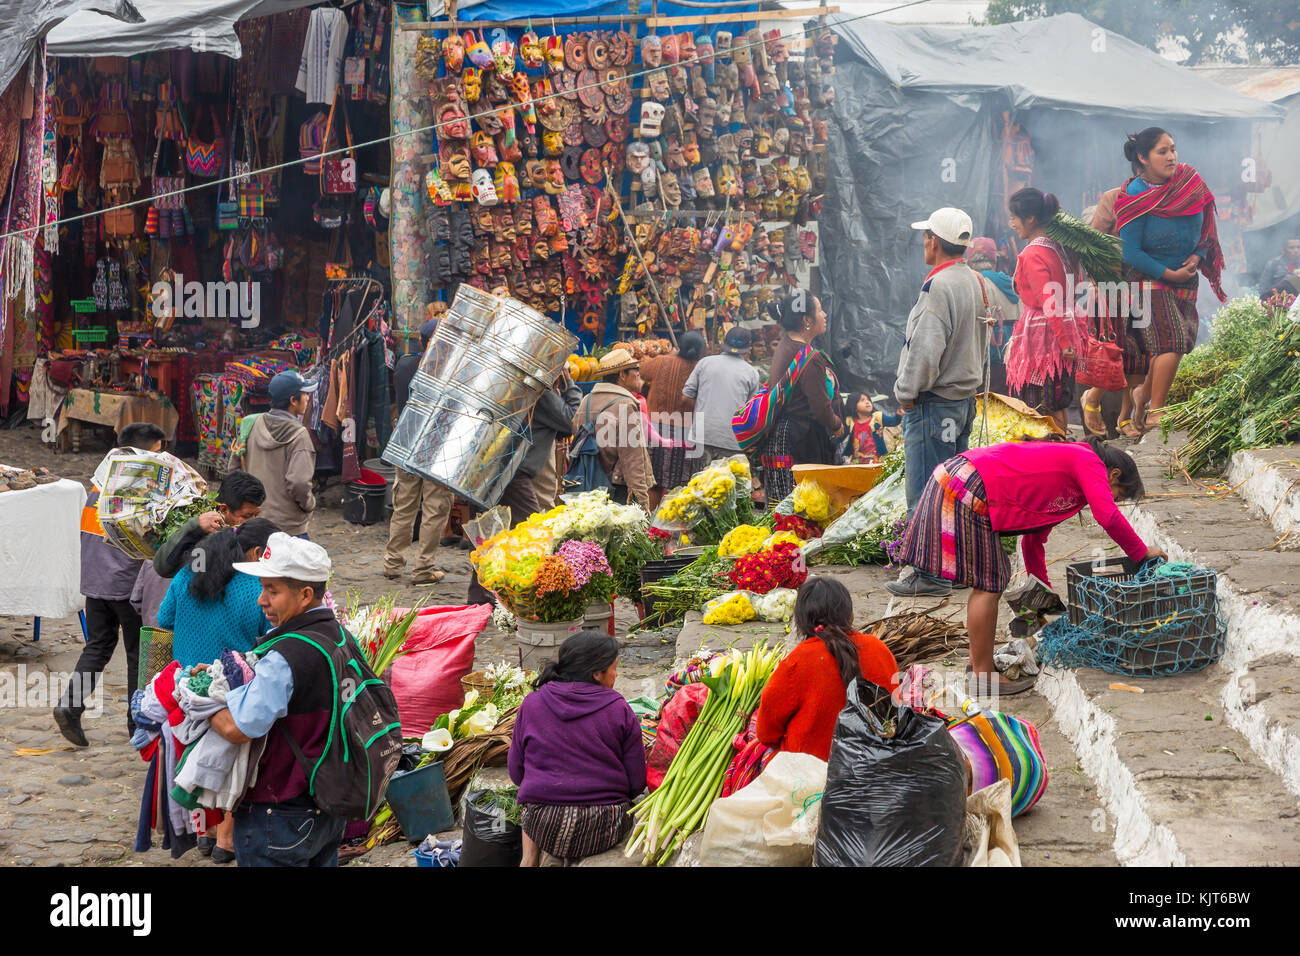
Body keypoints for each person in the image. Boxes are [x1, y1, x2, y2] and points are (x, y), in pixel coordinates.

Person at [893, 437, 1163, 696]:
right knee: (990, 583)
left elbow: (1032, 544)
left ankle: (978, 666)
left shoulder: (1068, 480)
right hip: (968, 484)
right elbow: (1108, 516)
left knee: (991, 579)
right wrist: (1140, 553)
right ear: (1114, 475)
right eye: (1115, 494)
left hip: (959, 478)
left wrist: (1043, 609)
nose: (1108, 497)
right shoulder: (1088, 460)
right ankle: (983, 676)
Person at [202, 533, 349, 867]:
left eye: (272, 590)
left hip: (279, 815)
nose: (261, 600)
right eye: (262, 588)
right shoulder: (339, 636)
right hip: (326, 807)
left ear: (306, 594)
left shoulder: (286, 655)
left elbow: (240, 728)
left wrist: (198, 702)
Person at [156, 517, 277, 863]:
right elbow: (265, 637)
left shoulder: (186, 575)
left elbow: (164, 620)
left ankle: (205, 833)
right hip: (229, 688)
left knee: (197, 757)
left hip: (185, 689)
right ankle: (226, 836)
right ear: (252, 553)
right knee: (234, 758)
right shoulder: (257, 587)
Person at [890, 207, 989, 597]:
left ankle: (929, 574)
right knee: (955, 492)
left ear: (933, 241)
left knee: (927, 489)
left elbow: (926, 350)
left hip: (935, 404)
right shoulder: (974, 280)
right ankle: (955, 568)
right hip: (962, 402)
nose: (923, 242)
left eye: (925, 236)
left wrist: (906, 393)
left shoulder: (939, 287)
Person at [54, 422, 165, 748]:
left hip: (95, 581)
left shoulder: (100, 483)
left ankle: (70, 706)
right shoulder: (139, 487)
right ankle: (137, 727)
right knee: (137, 655)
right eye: (159, 451)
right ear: (144, 453)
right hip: (126, 585)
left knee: (98, 646)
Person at [1116, 127, 1227, 431]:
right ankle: (1156, 411)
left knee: (1179, 343)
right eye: (1162, 152)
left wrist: (1198, 257)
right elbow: (1131, 252)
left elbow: (1206, 231)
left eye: (1173, 149)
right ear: (1143, 157)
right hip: (1148, 278)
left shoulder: (1190, 181)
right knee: (1173, 340)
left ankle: (1142, 393)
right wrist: (1169, 272)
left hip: (1186, 278)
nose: (1172, 157)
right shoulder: (1132, 197)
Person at [508, 631, 646, 866]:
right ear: (596, 674)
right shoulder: (619, 708)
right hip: (603, 827)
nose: (617, 674)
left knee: (532, 799)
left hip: (543, 827)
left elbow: (516, 774)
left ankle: (530, 859)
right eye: (614, 667)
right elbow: (636, 783)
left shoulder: (532, 703)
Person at [755, 577, 901, 761]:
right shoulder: (878, 648)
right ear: (850, 616)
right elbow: (896, 706)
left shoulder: (797, 661)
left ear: (800, 622)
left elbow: (766, 734)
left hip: (812, 773)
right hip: (877, 762)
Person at [1005, 187, 1086, 433]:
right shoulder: (1062, 249)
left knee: (1041, 406)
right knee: (1056, 400)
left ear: (1030, 219)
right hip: (1065, 331)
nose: (1012, 224)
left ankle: (1052, 456)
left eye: (1015, 218)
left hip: (1045, 341)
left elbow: (1048, 301)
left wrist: (1063, 342)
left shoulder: (1032, 254)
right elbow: (1076, 289)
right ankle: (1061, 450)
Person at [384, 319, 455, 584]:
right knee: (435, 506)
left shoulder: (404, 365)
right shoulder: (447, 369)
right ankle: (423, 568)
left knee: (404, 505)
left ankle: (393, 563)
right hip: (435, 444)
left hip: (405, 439)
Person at [762, 290, 843, 504]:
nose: (824, 315)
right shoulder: (809, 357)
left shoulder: (786, 345)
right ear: (807, 320)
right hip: (802, 441)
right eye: (819, 310)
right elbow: (819, 407)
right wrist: (836, 424)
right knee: (804, 509)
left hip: (783, 436)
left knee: (785, 509)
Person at [1083, 188, 1149, 439]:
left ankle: (1125, 417)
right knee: (1114, 350)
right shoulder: (1112, 198)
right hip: (1112, 286)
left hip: (1143, 287)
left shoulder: (1158, 200)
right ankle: (1092, 397)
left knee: (1139, 357)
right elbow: (1093, 246)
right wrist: (1097, 281)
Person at [572, 348, 653, 511]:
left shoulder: (586, 401)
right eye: (635, 370)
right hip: (615, 489)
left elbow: (575, 434)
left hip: (588, 483)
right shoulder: (625, 405)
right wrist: (643, 506)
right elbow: (633, 460)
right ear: (622, 375)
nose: (638, 374)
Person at [245, 370, 319, 539]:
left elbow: (234, 468)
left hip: (257, 521)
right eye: (304, 394)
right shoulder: (299, 435)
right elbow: (299, 482)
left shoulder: (253, 424)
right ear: (293, 400)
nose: (308, 398)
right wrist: (309, 504)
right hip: (289, 527)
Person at [153, 470, 266, 578]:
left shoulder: (255, 535)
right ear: (223, 510)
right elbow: (162, 568)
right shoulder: (203, 539)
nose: (253, 521)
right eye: (246, 516)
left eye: (256, 515)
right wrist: (194, 527)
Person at [682, 325, 762, 468]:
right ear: (748, 349)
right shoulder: (751, 373)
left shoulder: (705, 363)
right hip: (731, 441)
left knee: (698, 486)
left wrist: (704, 409)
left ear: (724, 343)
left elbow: (686, 398)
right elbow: (750, 413)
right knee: (724, 486)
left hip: (701, 436)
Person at [641, 331, 706, 492]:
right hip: (686, 433)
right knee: (682, 486)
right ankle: (673, 517)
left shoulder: (661, 361)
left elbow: (641, 371)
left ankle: (651, 517)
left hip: (656, 429)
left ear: (679, 346)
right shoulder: (700, 369)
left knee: (654, 483)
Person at [966, 238, 1019, 395]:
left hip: (984, 367)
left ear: (969, 262)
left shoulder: (972, 285)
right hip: (1013, 365)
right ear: (995, 260)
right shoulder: (1014, 285)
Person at [530, 370, 582, 511]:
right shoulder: (541, 391)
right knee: (542, 510)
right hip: (535, 468)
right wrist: (570, 383)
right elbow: (573, 419)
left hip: (535, 467)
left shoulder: (543, 390)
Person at [842, 392, 901, 465]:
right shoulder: (850, 421)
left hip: (876, 460)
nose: (867, 402)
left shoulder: (877, 417)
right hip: (857, 461)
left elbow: (893, 422)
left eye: (868, 400)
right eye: (862, 400)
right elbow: (841, 435)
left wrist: (898, 415)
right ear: (854, 406)